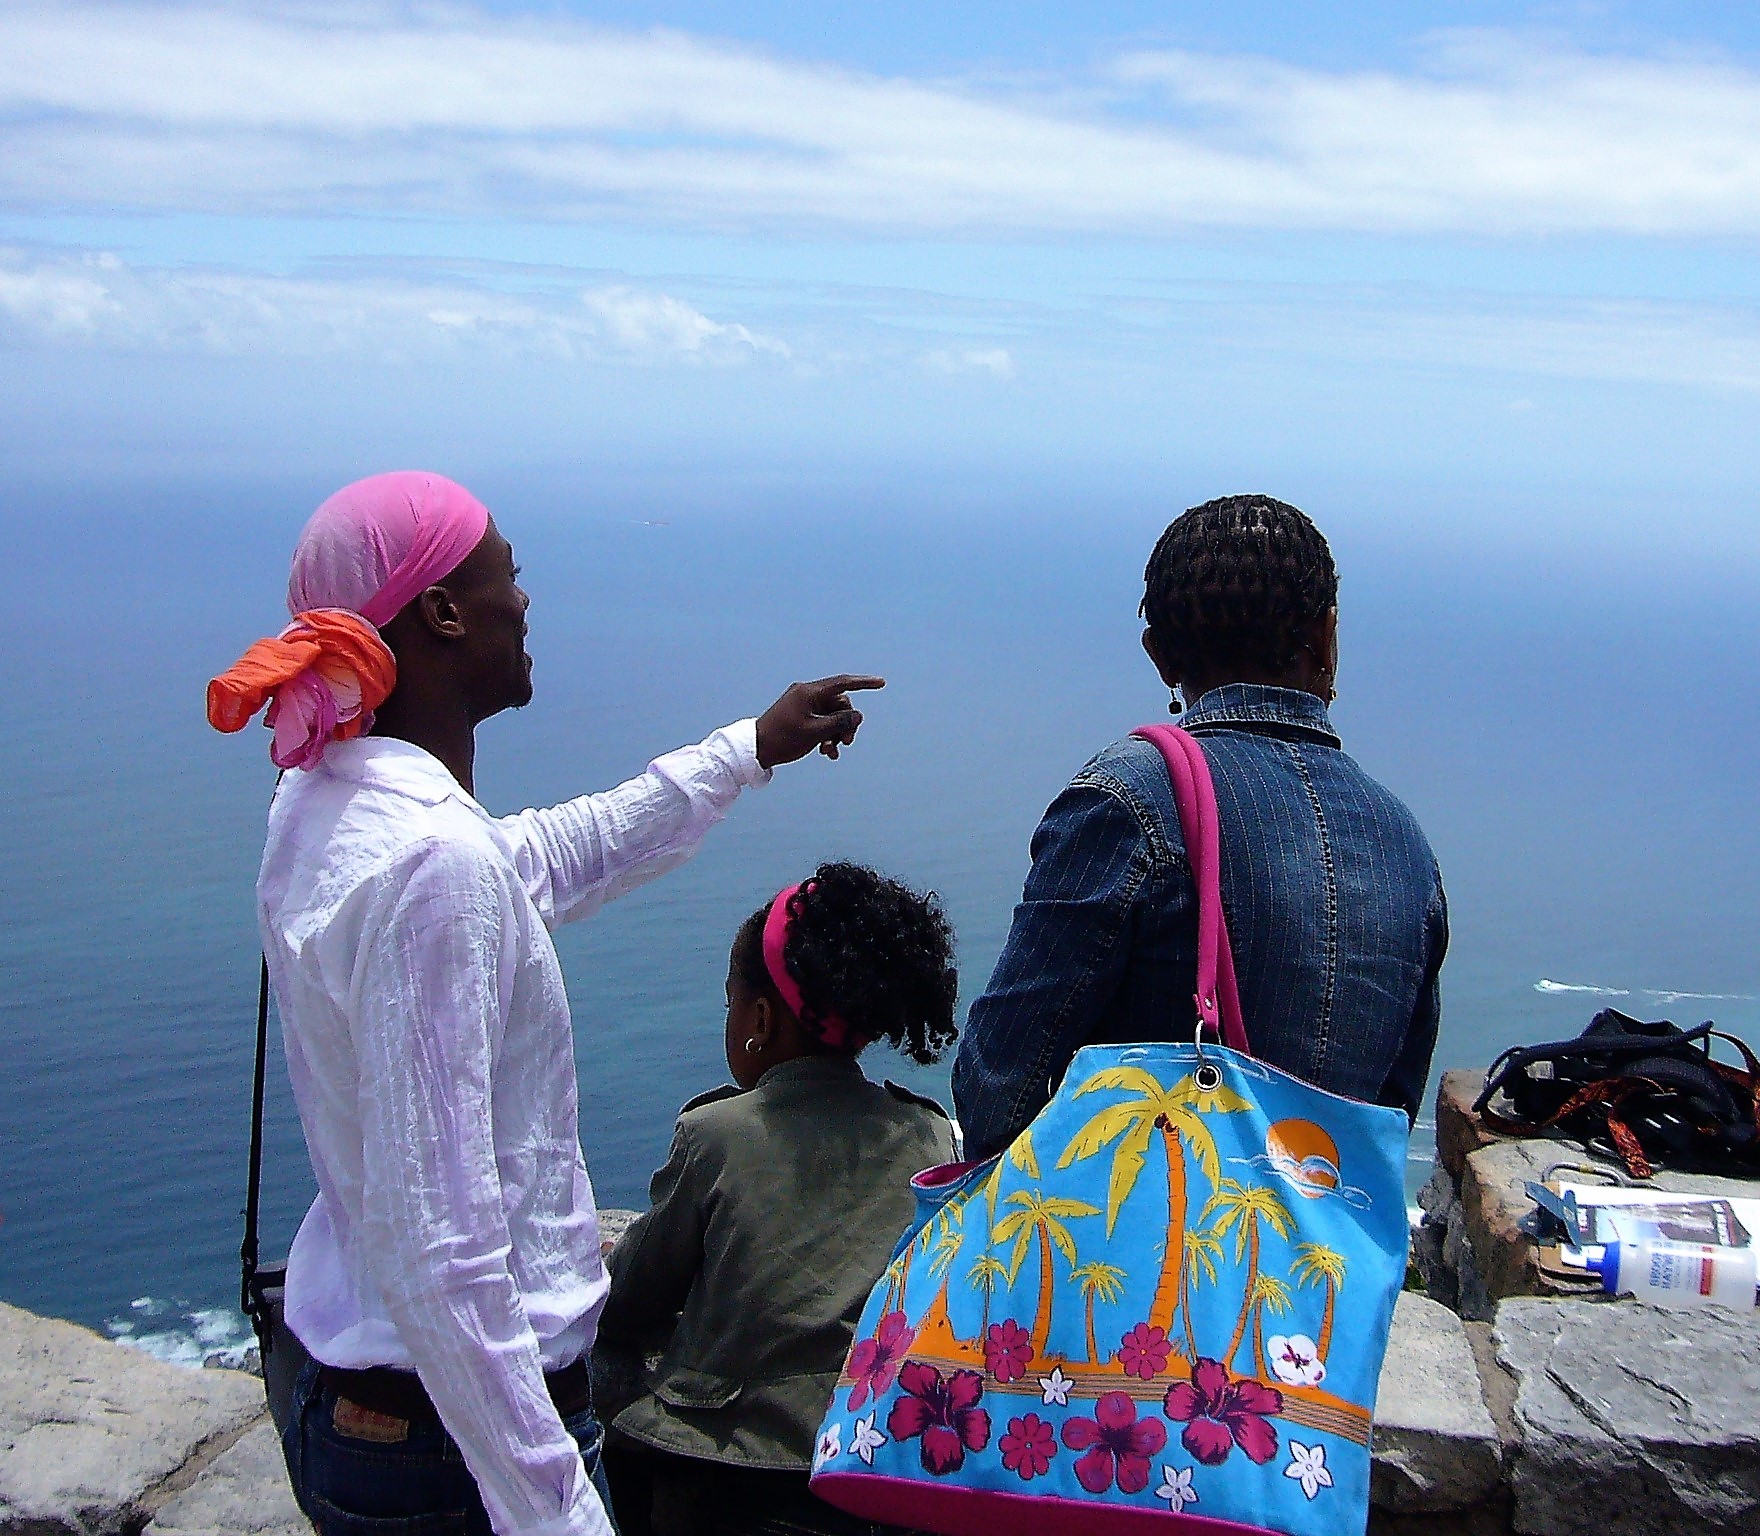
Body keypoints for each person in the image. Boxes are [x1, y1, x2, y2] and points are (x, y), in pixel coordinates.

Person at [207, 471, 883, 1536]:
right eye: (504, 579)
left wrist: (747, 749)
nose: (522, 603)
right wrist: (554, 1509)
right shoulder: (431, 863)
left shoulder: (326, 797)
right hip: (447, 1447)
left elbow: (540, 860)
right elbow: (443, 1254)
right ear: (439, 610)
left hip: (352, 1394)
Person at [952, 493, 1447, 1161]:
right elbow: (1392, 1109)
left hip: (1145, 1254)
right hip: (1326, 1256)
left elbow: (996, 1083)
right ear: (1328, 635)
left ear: (1159, 656)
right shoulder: (1404, 844)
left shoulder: (1127, 796)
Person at [596, 861, 958, 1536]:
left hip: (725, 1486)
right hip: (868, 1473)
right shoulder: (928, 1135)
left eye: (730, 1003)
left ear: (760, 1018)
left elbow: (627, 1298)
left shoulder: (717, 1136)